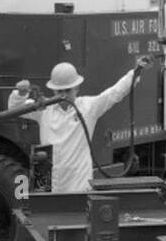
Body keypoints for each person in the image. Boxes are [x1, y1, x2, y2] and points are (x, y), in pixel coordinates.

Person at [8, 58, 149, 193]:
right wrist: (20, 94)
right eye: (59, 91)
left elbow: (114, 93)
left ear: (77, 88)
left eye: (67, 90)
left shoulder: (88, 107)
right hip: (47, 180)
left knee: (78, 215)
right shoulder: (44, 109)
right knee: (47, 216)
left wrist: (136, 71)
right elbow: (14, 109)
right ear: (53, 91)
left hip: (78, 182)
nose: (63, 95)